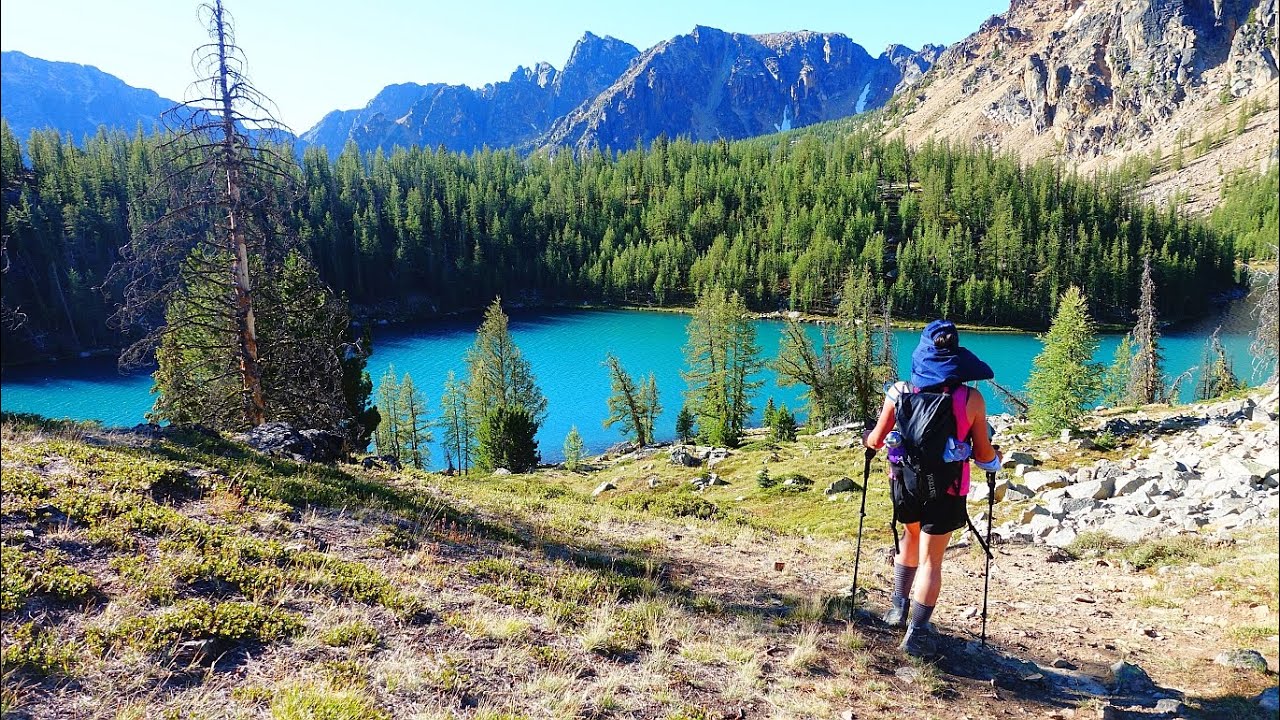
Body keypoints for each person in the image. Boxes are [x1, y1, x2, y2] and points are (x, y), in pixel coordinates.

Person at [863, 319, 1002, 655]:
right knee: (932, 561)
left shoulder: (899, 392)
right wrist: (994, 460)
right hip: (948, 487)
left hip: (906, 483)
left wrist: (866, 438)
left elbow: (876, 440)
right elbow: (983, 454)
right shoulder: (971, 399)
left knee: (910, 538)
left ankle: (898, 609)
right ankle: (917, 634)